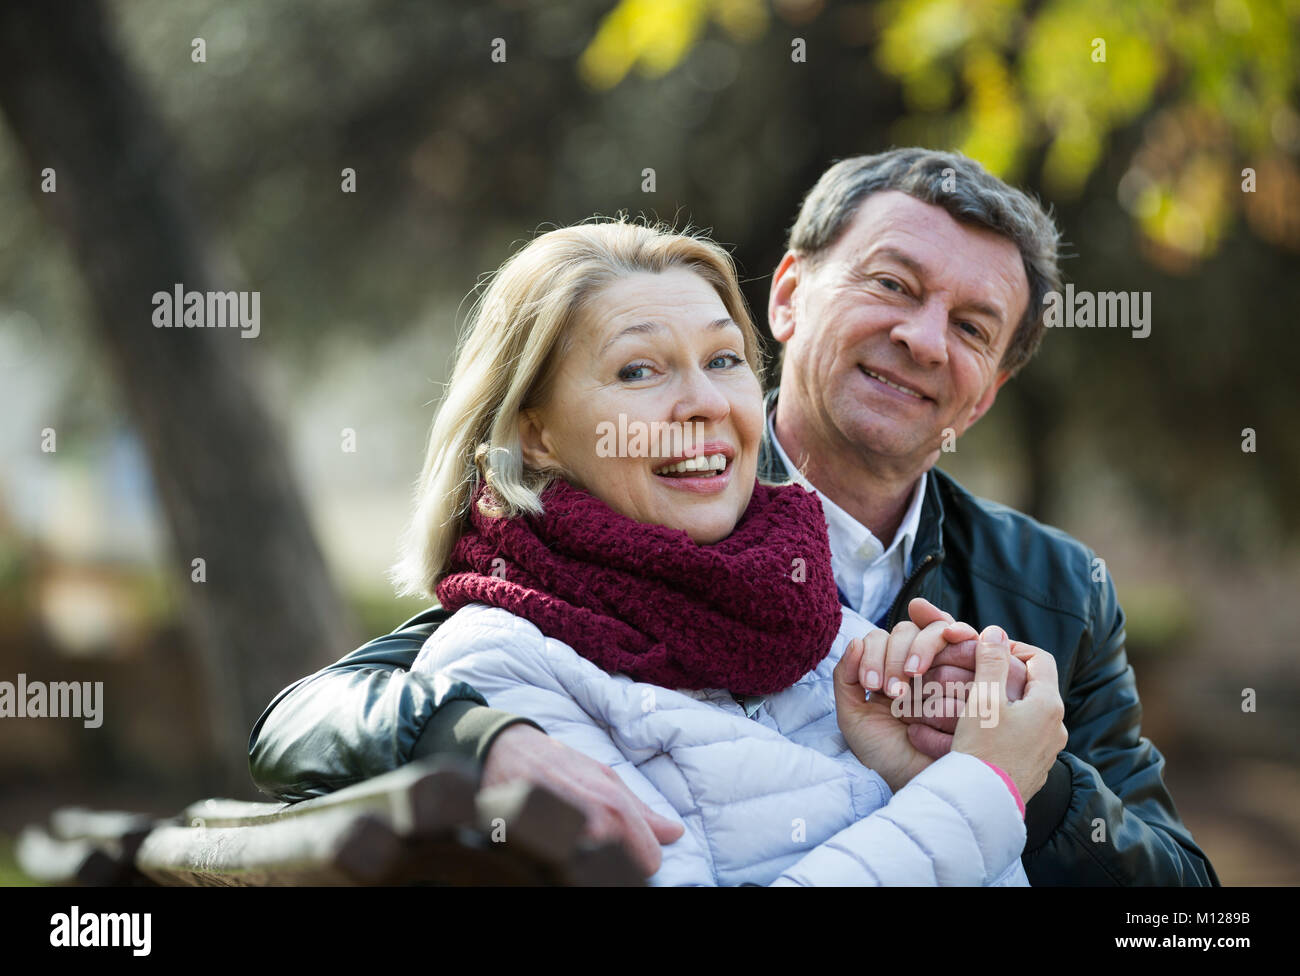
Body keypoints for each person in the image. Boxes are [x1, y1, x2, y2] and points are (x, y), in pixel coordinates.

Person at [248, 148, 1218, 886]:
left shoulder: (1055, 589)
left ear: (985, 394)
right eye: (891, 284)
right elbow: (322, 710)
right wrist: (472, 735)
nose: (921, 339)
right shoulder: (620, 529)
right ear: (789, 298)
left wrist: (1026, 777)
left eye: (969, 328)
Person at [387, 217, 1065, 884]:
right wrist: (981, 788)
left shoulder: (816, 626)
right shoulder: (500, 669)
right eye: (639, 370)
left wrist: (906, 777)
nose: (706, 402)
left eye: (723, 360)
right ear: (535, 437)